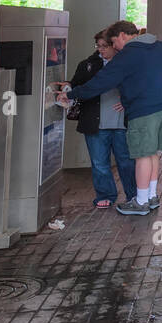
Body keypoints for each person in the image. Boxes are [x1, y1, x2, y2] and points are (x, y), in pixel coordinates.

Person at [58, 20, 162, 215]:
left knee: (142, 155)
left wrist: (70, 94)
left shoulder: (128, 54)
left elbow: (101, 82)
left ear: (121, 35)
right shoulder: (160, 46)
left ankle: (141, 202)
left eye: (113, 42)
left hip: (145, 110)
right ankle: (151, 196)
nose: (114, 47)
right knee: (152, 153)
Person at [69, 29, 137, 208]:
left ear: (115, 45)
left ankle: (133, 194)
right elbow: (76, 86)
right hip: (95, 121)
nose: (101, 50)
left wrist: (128, 101)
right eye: (98, 46)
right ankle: (105, 194)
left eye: (105, 46)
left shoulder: (128, 63)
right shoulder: (88, 65)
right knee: (99, 162)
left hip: (122, 122)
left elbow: (140, 87)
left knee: (126, 161)